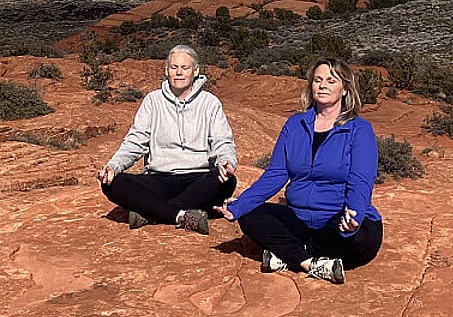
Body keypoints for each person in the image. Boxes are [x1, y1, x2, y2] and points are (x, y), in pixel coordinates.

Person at [216, 58, 382, 284]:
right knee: (251, 216)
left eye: (331, 81)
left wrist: (354, 214)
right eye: (318, 80)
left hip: (338, 218)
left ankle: (288, 253)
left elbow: (361, 180)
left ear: (345, 89)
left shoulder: (359, 129)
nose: (322, 85)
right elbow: (276, 174)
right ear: (311, 86)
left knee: (359, 237)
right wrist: (240, 205)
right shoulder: (295, 124)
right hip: (300, 219)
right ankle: (310, 263)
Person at [97, 44, 237, 235]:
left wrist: (225, 161)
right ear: (166, 70)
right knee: (111, 183)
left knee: (227, 182)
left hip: (198, 178)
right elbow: (136, 140)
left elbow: (222, 141)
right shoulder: (153, 101)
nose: (179, 73)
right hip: (159, 178)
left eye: (185, 68)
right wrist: (114, 166)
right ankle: (181, 215)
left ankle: (152, 212)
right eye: (174, 67)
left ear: (195, 71)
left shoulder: (210, 103)